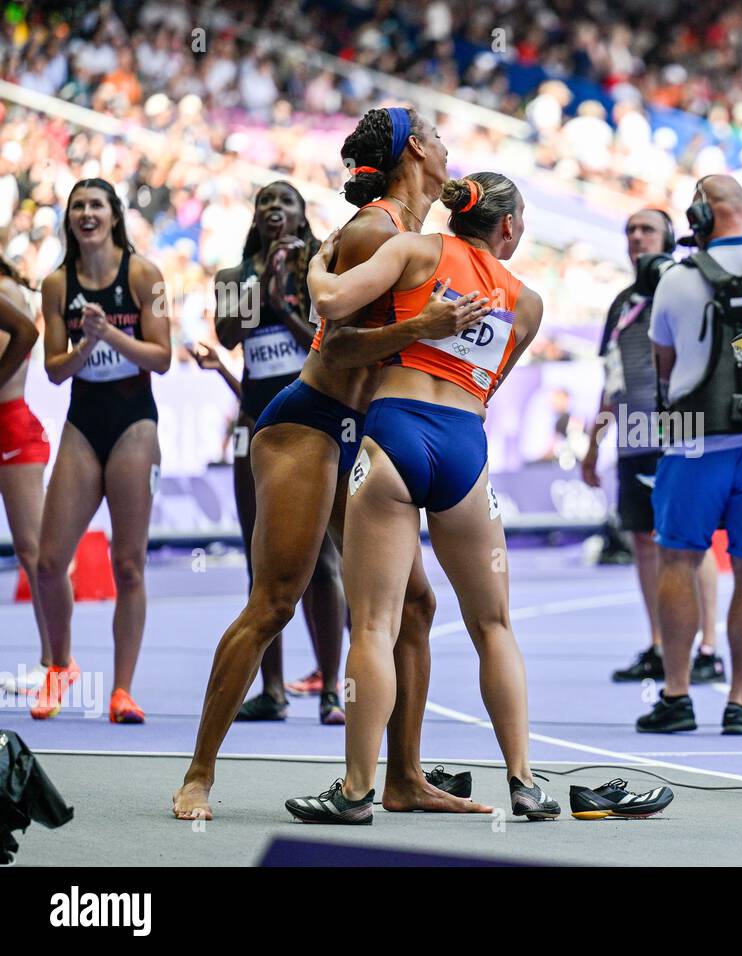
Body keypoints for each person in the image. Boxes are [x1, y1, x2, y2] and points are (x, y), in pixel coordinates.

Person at [173, 107, 489, 821]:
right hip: (308, 423)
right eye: (438, 137)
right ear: (415, 150)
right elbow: (337, 347)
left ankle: (404, 779)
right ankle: (197, 774)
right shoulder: (377, 229)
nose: (448, 147)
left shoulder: (418, 237)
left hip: (371, 430)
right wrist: (420, 327)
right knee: (276, 600)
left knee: (415, 603)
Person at [288, 171, 551, 824]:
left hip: (395, 437)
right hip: (465, 452)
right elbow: (488, 388)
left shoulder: (414, 251)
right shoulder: (527, 301)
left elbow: (330, 304)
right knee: (494, 625)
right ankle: (523, 781)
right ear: (509, 227)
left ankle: (355, 791)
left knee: (374, 624)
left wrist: (320, 263)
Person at [635, 174, 742, 736]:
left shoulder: (677, 278)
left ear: (700, 219)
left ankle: (677, 694)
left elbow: (663, 363)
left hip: (693, 437)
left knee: (678, 559)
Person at [33, 178, 172, 723]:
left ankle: (121, 690)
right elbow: (52, 370)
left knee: (128, 564)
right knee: (47, 563)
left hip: (135, 422)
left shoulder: (145, 275)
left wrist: (109, 336)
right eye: (78, 207)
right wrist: (86, 342)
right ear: (68, 220)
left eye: (96, 205)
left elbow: (161, 358)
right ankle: (60, 665)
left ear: (114, 215)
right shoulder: (54, 284)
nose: (87, 214)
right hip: (83, 422)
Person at [211, 180, 346, 724]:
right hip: (257, 424)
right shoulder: (235, 276)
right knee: (260, 554)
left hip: (315, 421)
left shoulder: (321, 267)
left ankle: (333, 688)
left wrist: (286, 299)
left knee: (323, 560)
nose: (273, 209)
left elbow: (325, 338)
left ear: (300, 216)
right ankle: (272, 690)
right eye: (265, 201)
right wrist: (260, 287)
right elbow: (227, 335)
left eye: (284, 202)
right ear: (256, 216)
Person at [582, 208, 722, 685]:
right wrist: (592, 444)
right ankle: (661, 645)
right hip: (633, 436)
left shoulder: (687, 285)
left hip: (681, 430)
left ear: (668, 239)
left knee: (688, 539)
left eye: (646, 229)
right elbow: (611, 378)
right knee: (644, 540)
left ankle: (707, 648)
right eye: (630, 229)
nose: (636, 236)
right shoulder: (621, 302)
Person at [0, 258, 48, 695]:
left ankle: (54, 661)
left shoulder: (7, 292)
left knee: (33, 550)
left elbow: (25, 335)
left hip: (11, 426)